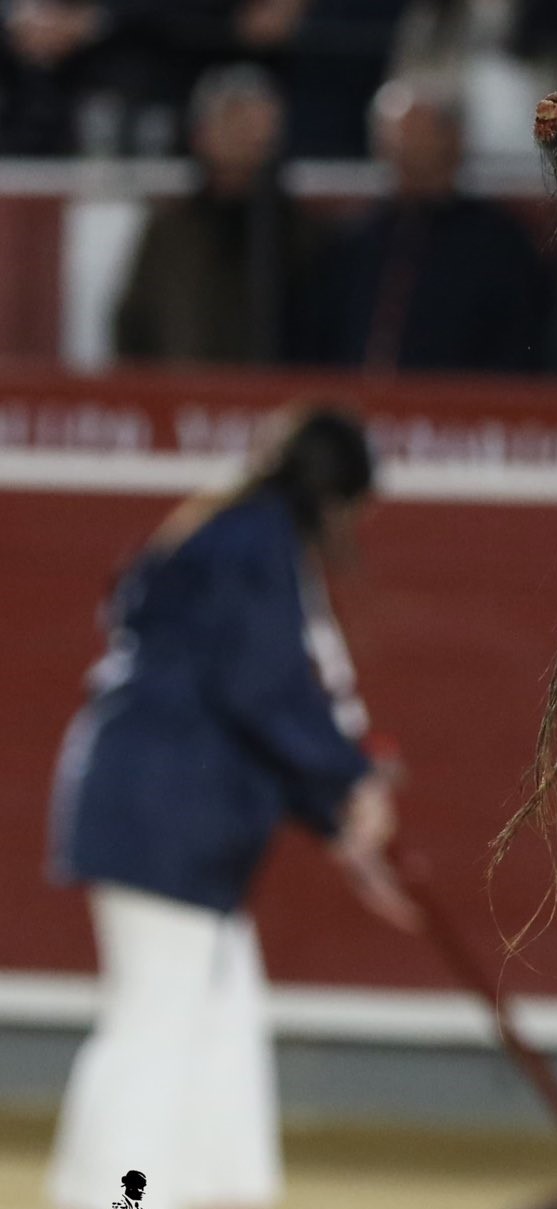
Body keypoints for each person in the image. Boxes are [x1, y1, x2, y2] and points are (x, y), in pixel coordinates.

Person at [43, 407, 416, 1209]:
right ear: (335, 499)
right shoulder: (254, 544)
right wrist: (348, 782)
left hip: (160, 807)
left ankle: (208, 1191)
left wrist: (337, 812)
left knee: (216, 1009)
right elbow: (263, 685)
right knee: (158, 1021)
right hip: (166, 817)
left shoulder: (229, 530)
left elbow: (252, 695)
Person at [300, 78, 552, 373]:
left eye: (417, 139)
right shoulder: (354, 243)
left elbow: (517, 348)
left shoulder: (500, 246)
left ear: (453, 142)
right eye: (392, 142)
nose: (402, 153)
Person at [114, 63, 312, 366]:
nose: (247, 138)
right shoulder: (169, 233)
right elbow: (132, 327)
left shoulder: (301, 235)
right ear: (200, 135)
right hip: (181, 389)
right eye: (234, 122)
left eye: (258, 125)